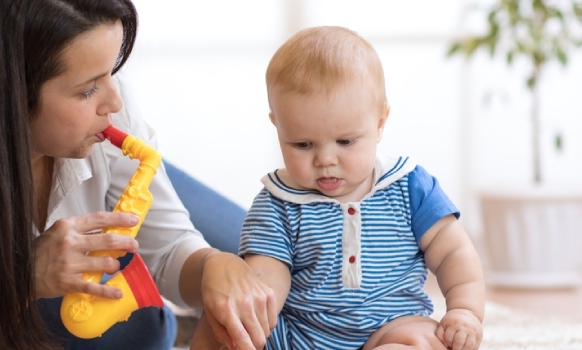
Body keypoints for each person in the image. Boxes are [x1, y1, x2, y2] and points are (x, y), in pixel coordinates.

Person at [0, 1, 271, 349]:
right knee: (127, 329)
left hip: (106, 164)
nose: (115, 100)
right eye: (88, 89)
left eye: (113, 73)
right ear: (7, 95)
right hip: (27, 292)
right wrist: (18, 283)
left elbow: (173, 244)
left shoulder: (108, 110)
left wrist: (213, 266)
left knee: (269, 258)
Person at [191, 26, 485, 350]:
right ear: (278, 125)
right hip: (297, 333)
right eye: (302, 144)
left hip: (392, 327)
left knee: (424, 339)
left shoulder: (410, 186)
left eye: (345, 141)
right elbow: (266, 276)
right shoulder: (278, 202)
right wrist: (251, 317)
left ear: (379, 123)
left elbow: (453, 252)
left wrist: (464, 311)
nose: (325, 159)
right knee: (222, 319)